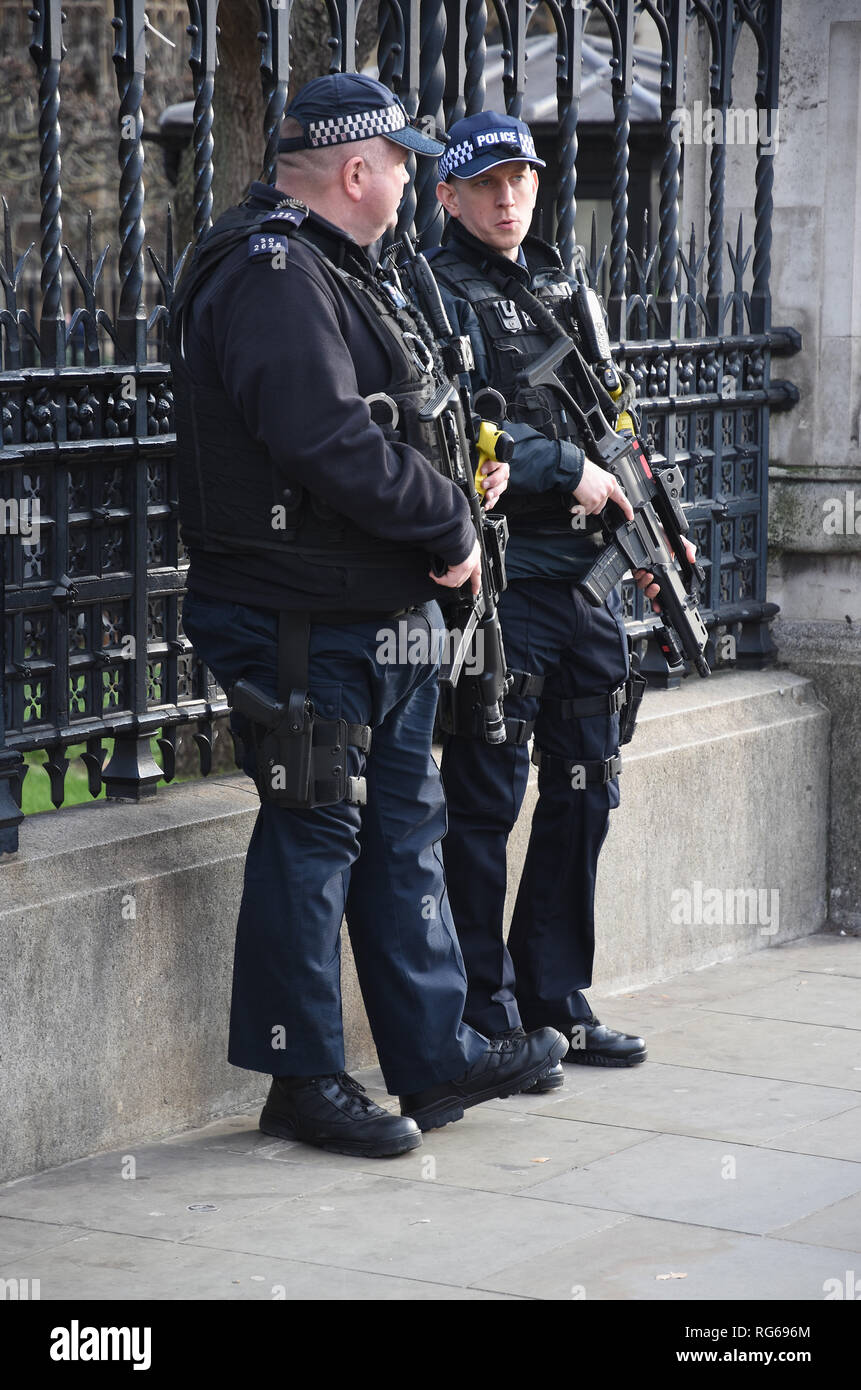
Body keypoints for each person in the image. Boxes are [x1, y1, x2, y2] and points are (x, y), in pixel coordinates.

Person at [169, 76, 566, 1159]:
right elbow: (325, 440)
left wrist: (456, 481)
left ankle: (436, 1055)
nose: (411, 175)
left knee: (403, 831)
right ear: (357, 170)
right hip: (300, 617)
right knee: (315, 834)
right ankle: (300, 1078)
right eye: (402, 160)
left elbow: (389, 417)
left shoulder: (337, 267)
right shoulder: (272, 273)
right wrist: (447, 525)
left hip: (368, 614)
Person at [429, 110, 676, 1083]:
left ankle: (557, 1001)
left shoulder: (562, 284)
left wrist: (651, 517)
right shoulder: (441, 293)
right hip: (510, 582)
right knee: (484, 801)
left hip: (587, 587)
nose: (508, 197)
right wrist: (565, 466)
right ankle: (486, 1018)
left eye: (521, 179)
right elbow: (456, 427)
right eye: (488, 183)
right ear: (446, 194)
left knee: (587, 788)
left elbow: (612, 409)